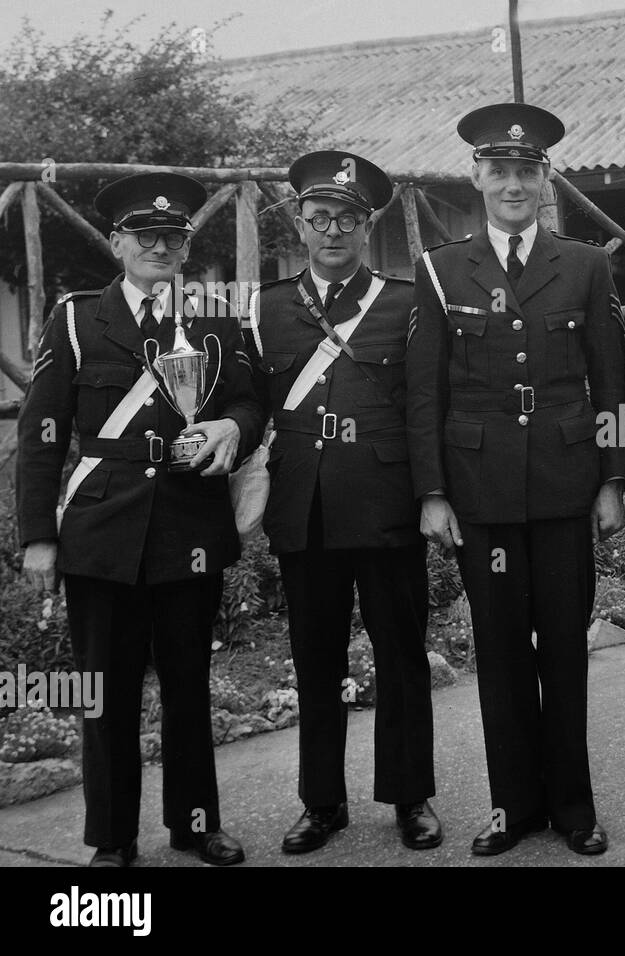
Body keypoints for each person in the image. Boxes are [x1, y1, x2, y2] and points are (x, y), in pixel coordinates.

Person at [17, 172, 260, 867]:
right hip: (101, 531)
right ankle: (113, 838)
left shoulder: (214, 315)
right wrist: (38, 536)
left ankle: (193, 824)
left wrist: (228, 431)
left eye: (173, 236)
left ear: (185, 248)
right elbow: (41, 435)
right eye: (144, 234)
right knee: (106, 697)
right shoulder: (75, 318)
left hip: (188, 525)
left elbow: (250, 401)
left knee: (188, 688)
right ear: (118, 242)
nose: (160, 245)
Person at [406, 103, 625, 857]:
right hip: (480, 488)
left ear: (545, 179)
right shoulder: (440, 269)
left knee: (564, 646)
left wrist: (612, 479)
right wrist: (432, 491)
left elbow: (612, 378)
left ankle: (573, 808)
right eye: (497, 170)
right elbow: (424, 389)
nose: (511, 183)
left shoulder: (588, 264)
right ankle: (512, 806)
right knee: (499, 653)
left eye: (525, 171)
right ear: (476, 177)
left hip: (566, 482)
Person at [246, 151, 441, 856]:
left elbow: (424, 406)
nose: (333, 230)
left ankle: (410, 795)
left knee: (401, 656)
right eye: (320, 217)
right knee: (315, 662)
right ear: (300, 224)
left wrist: (431, 496)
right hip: (306, 506)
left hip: (386, 503)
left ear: (367, 227)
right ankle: (321, 802)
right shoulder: (267, 308)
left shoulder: (404, 300)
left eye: (348, 219)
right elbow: (249, 401)